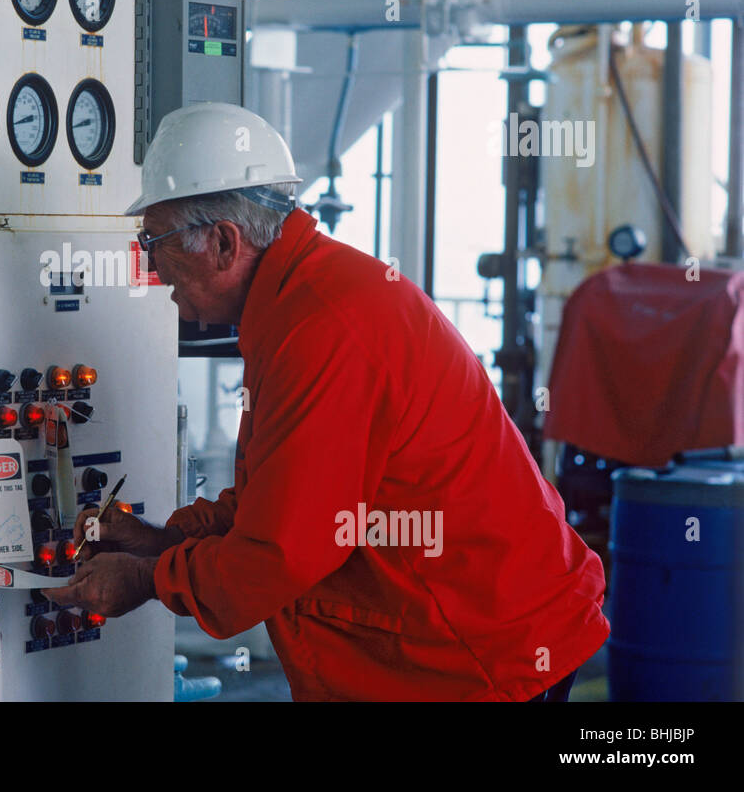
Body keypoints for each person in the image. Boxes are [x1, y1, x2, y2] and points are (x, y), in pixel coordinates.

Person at [42, 101, 609, 701]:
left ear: (224, 243)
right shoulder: (301, 301)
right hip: (465, 627)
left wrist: (151, 580)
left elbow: (279, 553)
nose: (151, 265)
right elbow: (285, 497)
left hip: (479, 649)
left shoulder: (323, 327)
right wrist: (164, 540)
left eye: (154, 241)